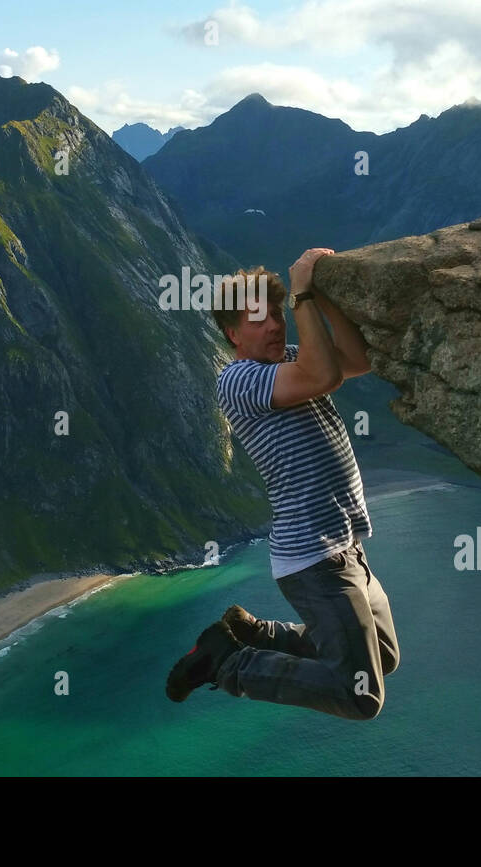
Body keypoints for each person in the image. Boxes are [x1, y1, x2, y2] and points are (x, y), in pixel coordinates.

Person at [165, 248, 399, 720]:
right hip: (314, 558)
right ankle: (227, 663)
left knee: (384, 656)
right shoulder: (238, 380)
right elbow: (326, 374)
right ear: (232, 334)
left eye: (275, 314)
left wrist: (322, 295)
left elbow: (358, 358)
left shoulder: (289, 360)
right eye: (257, 319)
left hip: (344, 546)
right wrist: (302, 293)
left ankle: (254, 634)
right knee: (360, 696)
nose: (274, 324)